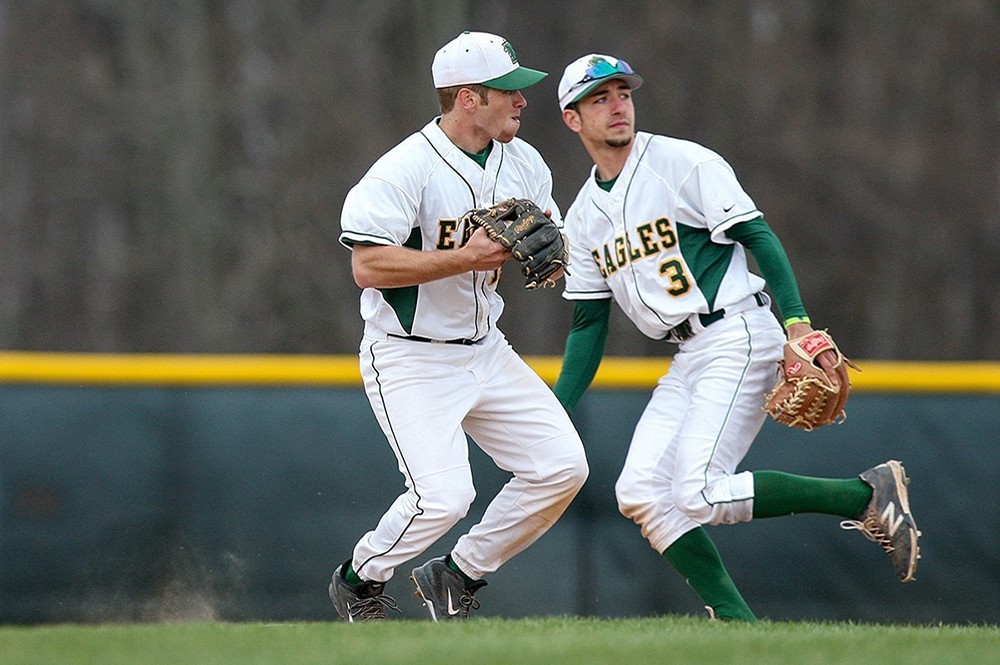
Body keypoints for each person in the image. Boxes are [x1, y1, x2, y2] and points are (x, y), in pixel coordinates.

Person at [551, 54, 920, 621]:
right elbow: (587, 323)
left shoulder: (681, 162)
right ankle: (742, 630)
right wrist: (556, 411)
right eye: (599, 98)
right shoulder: (581, 218)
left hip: (738, 332)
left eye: (623, 92)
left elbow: (758, 236)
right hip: (688, 353)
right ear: (573, 119)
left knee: (698, 493)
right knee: (641, 493)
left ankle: (865, 495)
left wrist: (796, 322)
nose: (617, 104)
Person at [329, 31, 589, 622]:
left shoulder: (522, 161)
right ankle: (359, 579)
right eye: (508, 91)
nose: (522, 101)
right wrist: (465, 257)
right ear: (468, 98)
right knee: (444, 498)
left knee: (562, 468)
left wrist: (553, 249)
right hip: (409, 356)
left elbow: (548, 235)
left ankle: (456, 574)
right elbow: (366, 266)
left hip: (486, 349)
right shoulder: (405, 169)